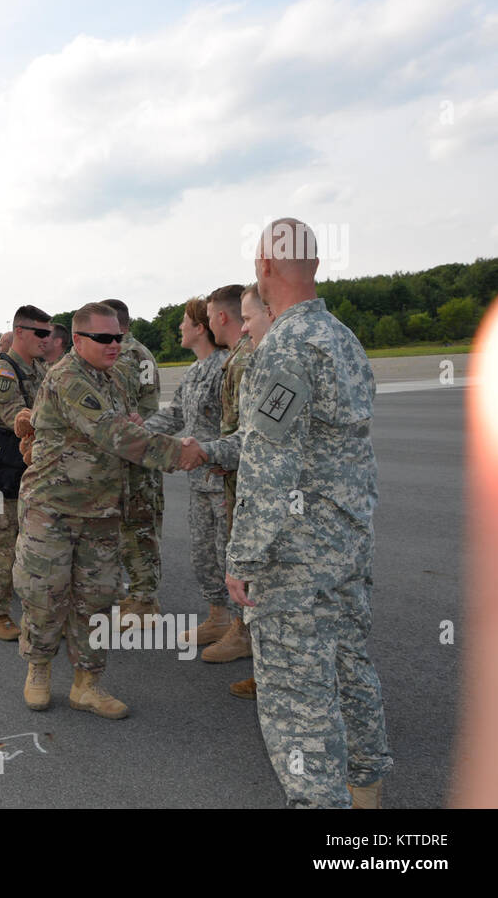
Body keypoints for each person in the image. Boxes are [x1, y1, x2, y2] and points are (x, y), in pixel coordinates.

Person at [207, 218, 391, 808]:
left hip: (296, 550)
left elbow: (268, 460)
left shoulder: (285, 344)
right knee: (347, 664)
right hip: (346, 538)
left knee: (295, 693)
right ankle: (365, 787)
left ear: (264, 268)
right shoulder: (342, 337)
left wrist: (243, 555)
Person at [15, 303, 204, 718]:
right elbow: (111, 432)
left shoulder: (116, 378)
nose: (115, 344)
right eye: (104, 338)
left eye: (118, 336)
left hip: (101, 510)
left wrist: (138, 427)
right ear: (79, 341)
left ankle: (88, 684)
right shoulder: (67, 377)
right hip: (53, 509)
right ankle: (39, 669)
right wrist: (182, 453)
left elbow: (128, 424)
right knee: (46, 595)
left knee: (96, 600)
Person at [143, 297, 232, 651]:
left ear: (200, 327)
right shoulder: (195, 371)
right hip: (200, 483)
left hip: (223, 478)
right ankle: (219, 617)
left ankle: (243, 629)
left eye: (184, 322)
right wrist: (135, 438)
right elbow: (175, 414)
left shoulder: (225, 367)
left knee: (229, 556)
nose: (179, 327)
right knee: (203, 555)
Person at [0, 306, 50, 639]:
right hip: (1, 472)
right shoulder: (2, 371)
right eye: (40, 333)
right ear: (20, 332)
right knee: (1, 543)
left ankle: (38, 610)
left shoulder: (40, 369)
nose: (47, 340)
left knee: (36, 544)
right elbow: (16, 418)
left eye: (48, 333)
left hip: (32, 470)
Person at [217, 283, 276, 700]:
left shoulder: (264, 361)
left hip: (266, 497)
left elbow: (257, 444)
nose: (244, 328)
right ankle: (269, 666)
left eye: (250, 318)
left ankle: (273, 675)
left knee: (268, 588)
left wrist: (207, 452)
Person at [198, 283, 254, 664]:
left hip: (248, 477)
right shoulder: (233, 357)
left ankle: (249, 634)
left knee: (248, 562)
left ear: (220, 316)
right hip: (233, 471)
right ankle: (244, 629)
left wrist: (212, 451)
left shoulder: (245, 358)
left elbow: (252, 432)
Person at [105, 299, 164, 628]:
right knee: (141, 526)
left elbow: (120, 408)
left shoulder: (124, 355)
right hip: (143, 450)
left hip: (132, 453)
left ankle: (145, 601)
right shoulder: (140, 351)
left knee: (135, 528)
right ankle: (144, 596)